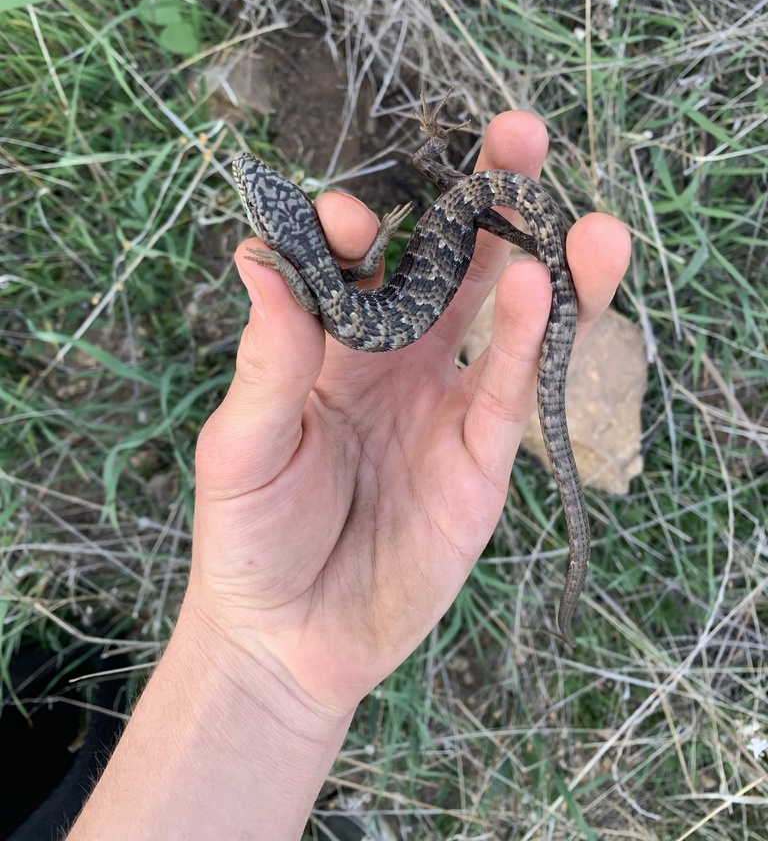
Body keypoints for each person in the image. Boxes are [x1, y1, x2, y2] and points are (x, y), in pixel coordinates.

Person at [67, 109, 631, 840]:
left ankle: (518, 232)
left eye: (260, 194)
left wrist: (336, 264)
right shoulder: (320, 288)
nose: (250, 185)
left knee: (468, 235)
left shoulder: (316, 288)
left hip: (409, 291)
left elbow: (328, 287)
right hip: (415, 283)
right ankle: (511, 226)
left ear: (283, 237)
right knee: (447, 231)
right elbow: (336, 283)